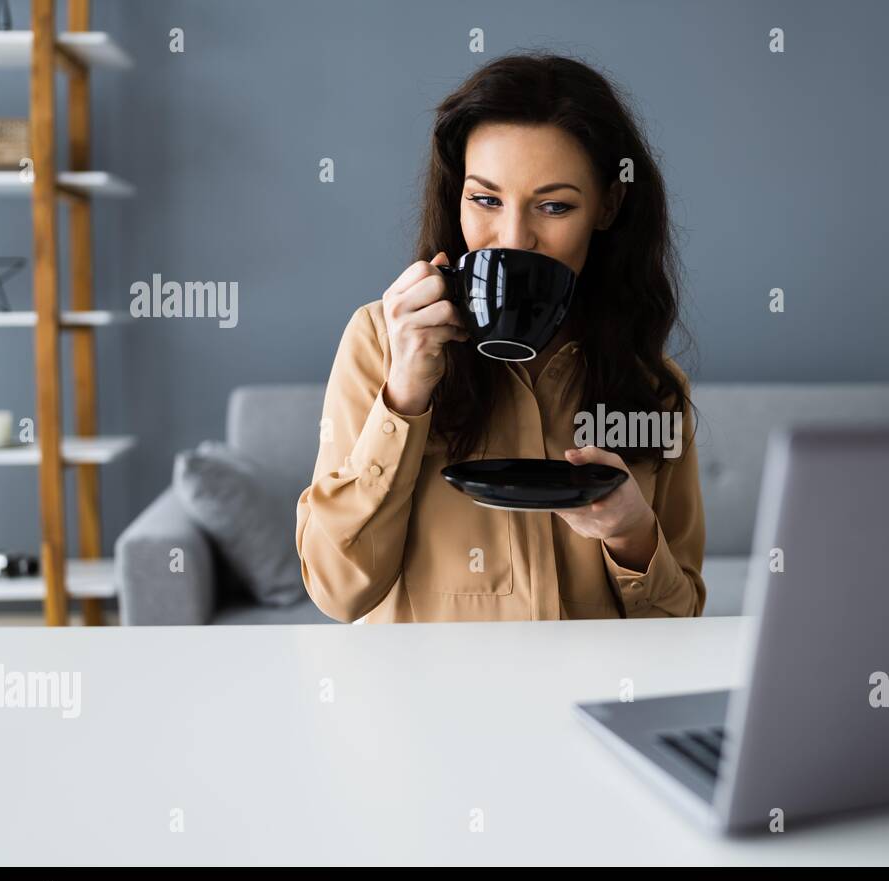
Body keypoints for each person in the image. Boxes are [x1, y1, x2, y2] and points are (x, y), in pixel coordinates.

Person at [295, 53, 706, 623]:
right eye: (485, 200)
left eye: (555, 206)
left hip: (583, 705)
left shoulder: (650, 384)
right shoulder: (380, 341)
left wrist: (632, 534)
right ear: (455, 197)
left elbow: (679, 628)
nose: (513, 240)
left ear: (607, 207)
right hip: (430, 706)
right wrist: (407, 391)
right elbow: (339, 594)